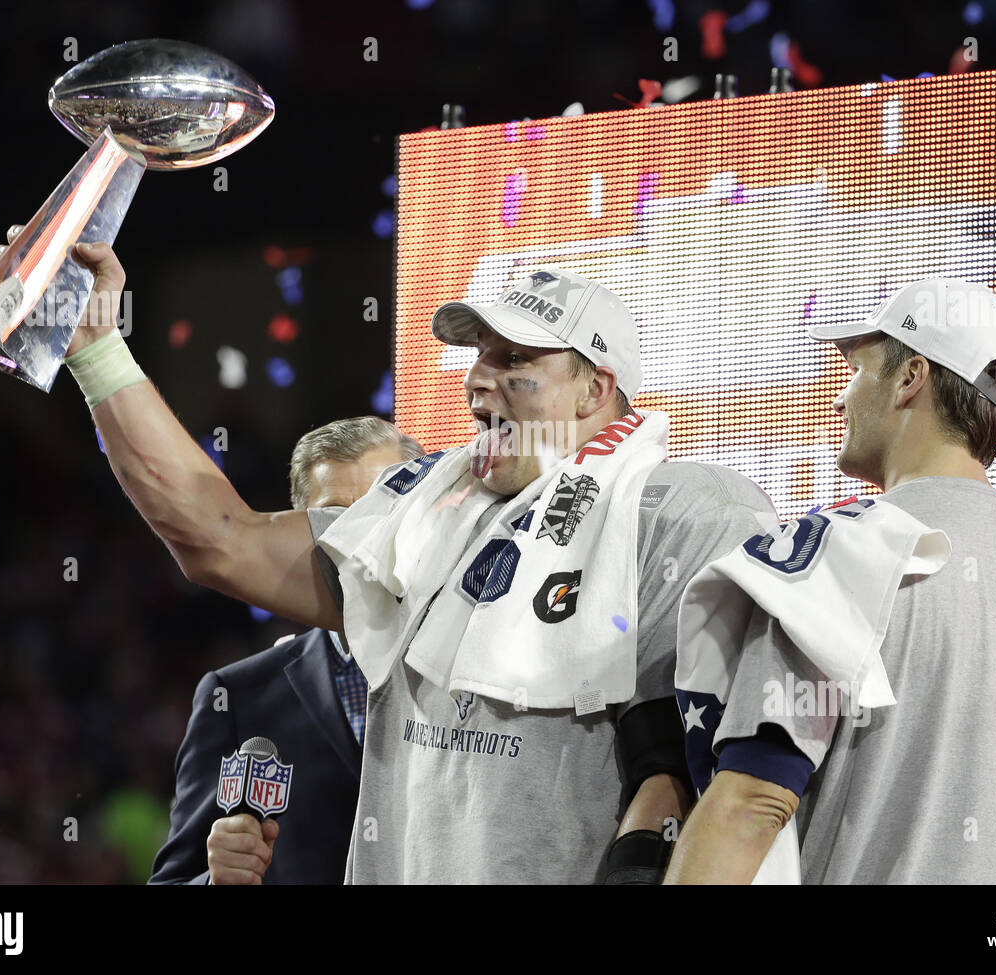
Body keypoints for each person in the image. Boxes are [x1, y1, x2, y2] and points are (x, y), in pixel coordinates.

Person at [47, 237, 776, 884]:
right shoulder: (423, 510)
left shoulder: (679, 509)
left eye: (515, 359)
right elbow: (219, 538)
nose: (477, 380)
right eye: (478, 355)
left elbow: (704, 776)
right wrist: (95, 346)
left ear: (596, 386)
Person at [664, 277, 996, 885]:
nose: (841, 400)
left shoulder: (836, 556)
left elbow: (750, 808)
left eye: (857, 372)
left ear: (911, 377)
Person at [149, 417, 424, 885]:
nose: (363, 538)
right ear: (301, 532)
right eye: (334, 516)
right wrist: (216, 881)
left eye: (385, 508)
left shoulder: (481, 668)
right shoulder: (239, 697)